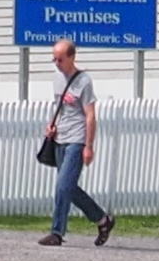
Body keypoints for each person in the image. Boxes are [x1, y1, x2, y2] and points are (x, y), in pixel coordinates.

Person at [38, 39, 114, 248]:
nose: (56, 63)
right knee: (69, 188)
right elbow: (59, 107)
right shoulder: (56, 79)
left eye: (60, 59)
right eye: (54, 58)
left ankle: (57, 232)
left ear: (72, 57)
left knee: (63, 186)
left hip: (77, 139)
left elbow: (90, 115)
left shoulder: (84, 82)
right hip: (60, 137)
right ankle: (102, 220)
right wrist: (52, 126)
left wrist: (88, 146)